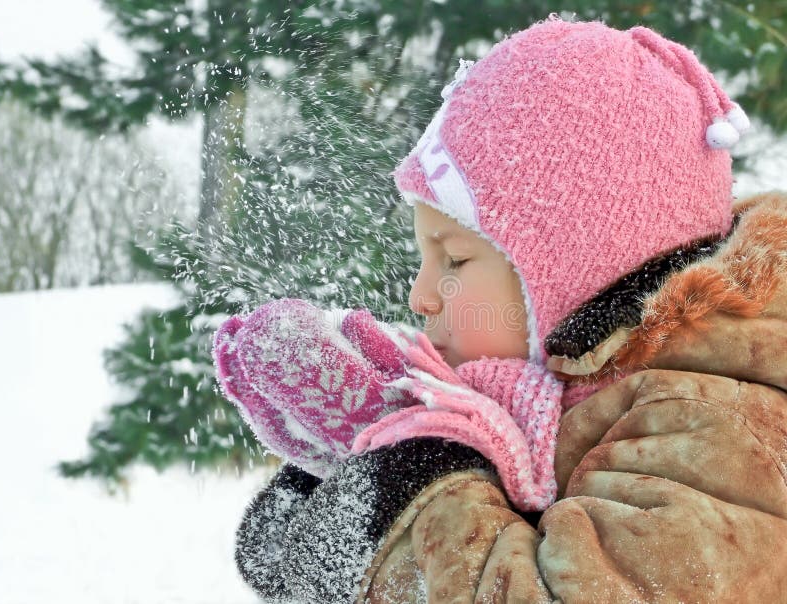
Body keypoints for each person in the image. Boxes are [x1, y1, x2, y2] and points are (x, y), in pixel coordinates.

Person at [224, 14, 787, 603]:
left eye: (455, 260)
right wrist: (362, 458)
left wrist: (406, 499)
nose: (420, 296)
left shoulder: (714, 429)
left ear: (573, 270)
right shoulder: (556, 402)